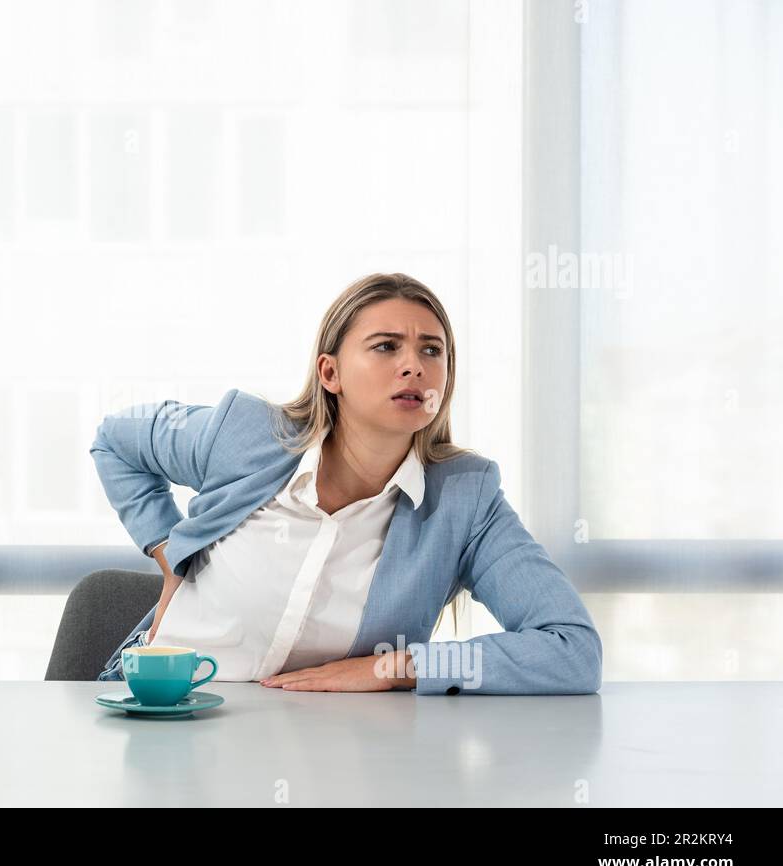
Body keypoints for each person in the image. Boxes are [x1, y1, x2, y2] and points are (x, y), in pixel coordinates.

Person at [90, 272, 603, 695]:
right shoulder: (247, 436)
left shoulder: (464, 500)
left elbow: (571, 649)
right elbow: (115, 440)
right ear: (330, 373)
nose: (413, 367)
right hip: (161, 717)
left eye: (432, 351)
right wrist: (166, 552)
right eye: (386, 347)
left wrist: (396, 668)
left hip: (332, 753)